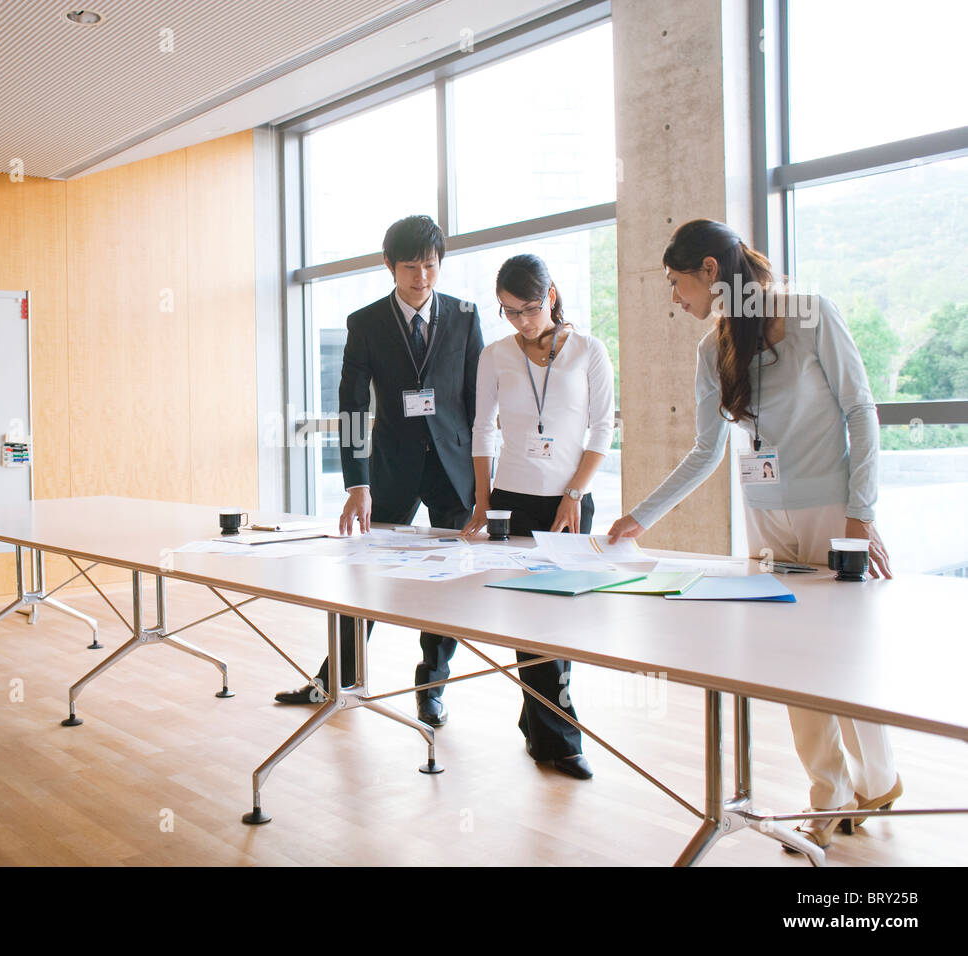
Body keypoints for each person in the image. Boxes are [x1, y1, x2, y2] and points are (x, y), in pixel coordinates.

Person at [607, 218, 899, 850]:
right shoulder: (712, 350)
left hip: (830, 514)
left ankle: (877, 781)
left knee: (843, 659)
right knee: (794, 666)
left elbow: (861, 412)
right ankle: (829, 797)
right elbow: (707, 452)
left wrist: (861, 514)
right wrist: (641, 516)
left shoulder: (809, 313)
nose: (674, 298)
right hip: (765, 520)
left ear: (710, 271)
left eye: (676, 282)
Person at [274, 215, 483, 726]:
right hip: (391, 468)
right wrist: (357, 482)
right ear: (389, 265)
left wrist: (485, 482)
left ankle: (431, 688)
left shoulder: (465, 314)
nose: (422, 278)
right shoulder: (364, 323)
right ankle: (334, 679)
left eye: (430, 266)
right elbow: (349, 408)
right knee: (363, 575)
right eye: (411, 267)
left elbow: (480, 402)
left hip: (455, 468)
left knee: (449, 583)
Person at [461, 254, 615, 780]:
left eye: (529, 308)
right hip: (511, 500)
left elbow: (602, 431)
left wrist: (575, 492)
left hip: (568, 502)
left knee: (558, 616)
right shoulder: (495, 355)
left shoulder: (590, 351)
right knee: (528, 619)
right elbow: (482, 429)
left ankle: (542, 726)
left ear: (550, 295)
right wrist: (482, 500)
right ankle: (558, 738)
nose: (522, 321)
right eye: (509, 312)